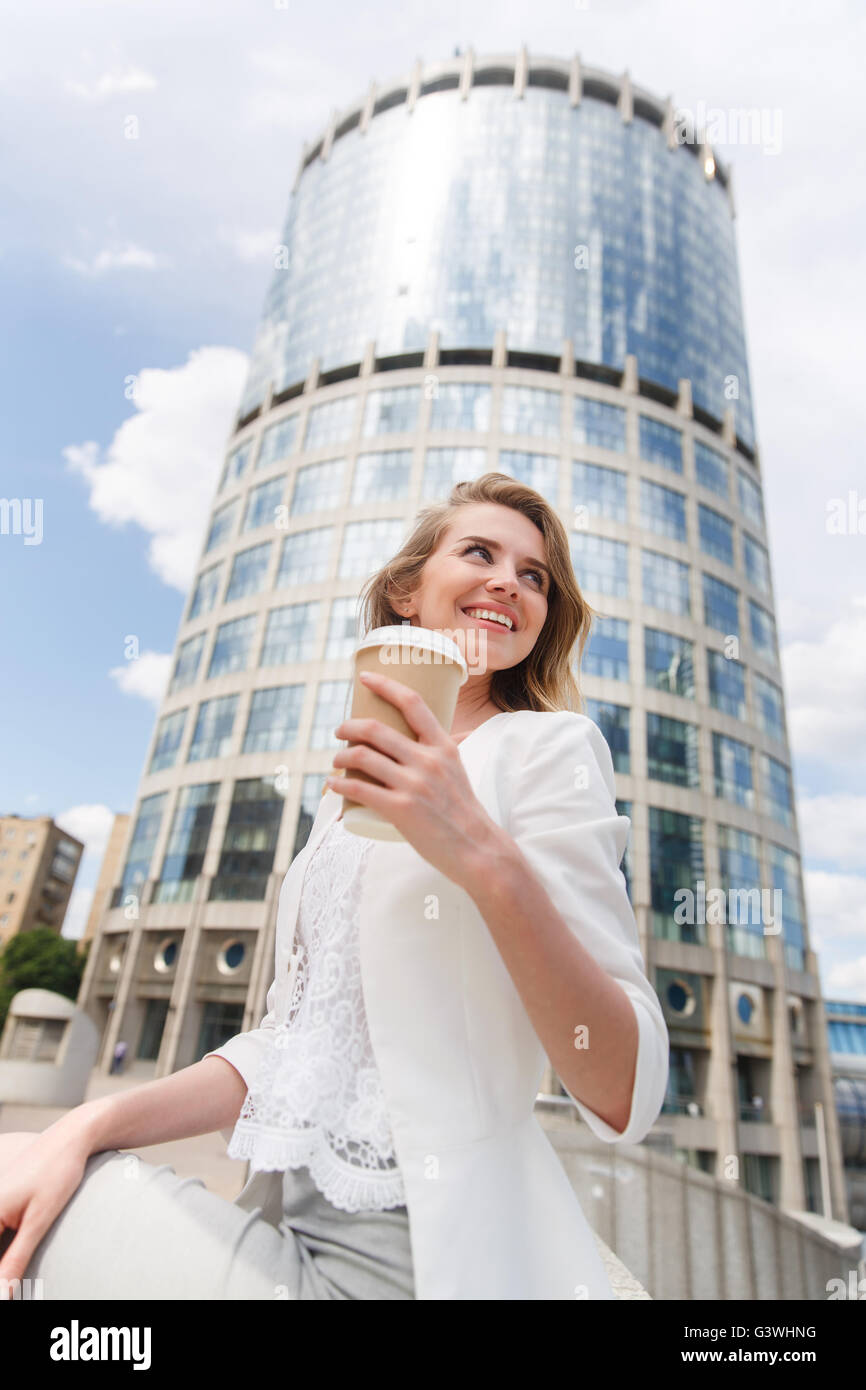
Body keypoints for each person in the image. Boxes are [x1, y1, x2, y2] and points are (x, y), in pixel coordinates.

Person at [0, 471, 669, 1300]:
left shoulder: (552, 752)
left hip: (420, 1260)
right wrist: (89, 1122)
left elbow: (625, 1090)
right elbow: (290, 1045)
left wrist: (482, 857)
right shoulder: (346, 795)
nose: (510, 581)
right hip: (289, 1225)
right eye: (480, 553)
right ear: (404, 592)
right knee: (29, 1160)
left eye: (534, 576)